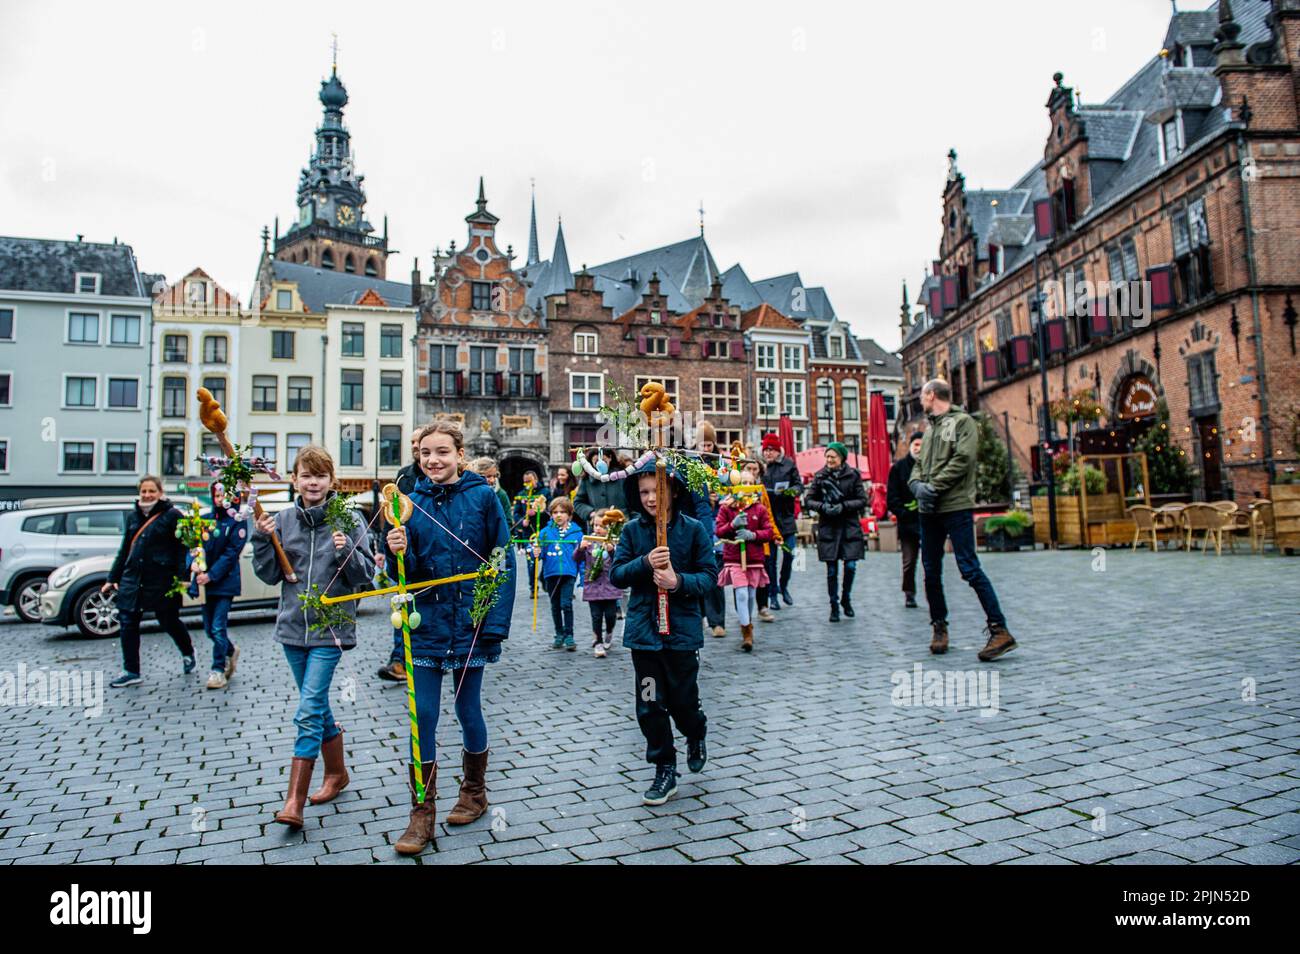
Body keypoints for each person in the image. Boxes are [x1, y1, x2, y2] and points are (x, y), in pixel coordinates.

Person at [385, 421, 515, 855]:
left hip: (470, 625)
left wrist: (492, 624)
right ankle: (421, 812)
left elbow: (502, 558)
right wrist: (397, 550)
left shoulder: (483, 497)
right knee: (422, 716)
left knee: (466, 707)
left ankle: (474, 791)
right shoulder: (411, 501)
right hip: (427, 625)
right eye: (425, 453)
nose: (433, 460)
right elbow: (408, 574)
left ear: (460, 454)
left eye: (442, 452)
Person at [253, 445, 373, 830]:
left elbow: (364, 577)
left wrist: (346, 553)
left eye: (320, 475)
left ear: (331, 480)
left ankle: (294, 800)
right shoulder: (282, 520)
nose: (313, 482)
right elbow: (270, 575)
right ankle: (337, 774)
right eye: (306, 475)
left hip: (331, 628)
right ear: (294, 480)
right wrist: (261, 539)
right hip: (292, 627)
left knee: (307, 710)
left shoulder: (349, 519)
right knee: (315, 705)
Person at [610, 459, 714, 806]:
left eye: (657, 490)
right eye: (644, 492)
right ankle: (664, 767)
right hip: (644, 634)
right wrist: (644, 564)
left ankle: (695, 732)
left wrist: (677, 581)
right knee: (650, 702)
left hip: (681, 632)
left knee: (684, 702)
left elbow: (709, 577)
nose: (651, 498)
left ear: (673, 490)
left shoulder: (694, 530)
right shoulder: (631, 531)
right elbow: (617, 574)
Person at [909, 379, 1017, 661]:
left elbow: (963, 459)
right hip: (928, 510)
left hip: (955, 506)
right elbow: (918, 464)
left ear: (931, 395)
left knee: (969, 567)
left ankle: (999, 629)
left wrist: (934, 487)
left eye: (922, 396)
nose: (920, 401)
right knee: (930, 570)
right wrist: (918, 486)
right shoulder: (931, 428)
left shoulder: (962, 423)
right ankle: (939, 627)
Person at [104, 476, 197, 688]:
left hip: (161, 579)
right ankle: (131, 670)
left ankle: (188, 652)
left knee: (168, 620)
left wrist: (183, 577)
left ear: (160, 492)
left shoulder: (172, 515)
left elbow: (186, 546)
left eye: (151, 491)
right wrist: (112, 578)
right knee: (127, 622)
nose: (147, 495)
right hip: (133, 578)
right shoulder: (132, 517)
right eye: (144, 491)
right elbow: (125, 549)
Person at [378, 433, 425, 683]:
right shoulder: (403, 477)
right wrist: (383, 546)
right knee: (403, 602)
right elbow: (391, 511)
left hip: (430, 550)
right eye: (413, 444)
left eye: (420, 442)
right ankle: (399, 660)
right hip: (404, 550)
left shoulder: (438, 473)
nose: (416, 447)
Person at [804, 441, 867, 622]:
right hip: (829, 528)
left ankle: (846, 598)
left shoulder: (853, 476)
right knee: (831, 570)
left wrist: (844, 506)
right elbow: (809, 500)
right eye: (828, 456)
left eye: (833, 456)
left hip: (849, 527)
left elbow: (862, 500)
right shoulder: (820, 476)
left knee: (850, 566)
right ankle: (834, 605)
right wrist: (823, 507)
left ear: (841, 458)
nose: (829, 460)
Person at [198, 481, 248, 689]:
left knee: (218, 627)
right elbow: (195, 546)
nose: (220, 500)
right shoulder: (205, 519)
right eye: (217, 496)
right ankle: (230, 650)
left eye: (224, 496)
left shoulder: (237, 521)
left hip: (224, 582)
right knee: (209, 629)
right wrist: (195, 566)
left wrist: (211, 574)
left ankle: (218, 670)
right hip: (205, 583)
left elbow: (231, 553)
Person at [714, 482, 775, 653]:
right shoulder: (726, 507)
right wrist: (732, 525)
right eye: (743, 483)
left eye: (750, 483)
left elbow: (768, 532)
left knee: (750, 595)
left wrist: (753, 535)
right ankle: (746, 630)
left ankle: (747, 621)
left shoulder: (759, 508)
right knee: (740, 593)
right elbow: (719, 531)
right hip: (734, 558)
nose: (746, 487)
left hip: (754, 558)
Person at [574, 507, 624, 658]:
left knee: (610, 615)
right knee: (596, 616)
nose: (598, 528)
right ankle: (598, 643)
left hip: (610, 586)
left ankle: (609, 632)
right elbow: (576, 559)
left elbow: (620, 561)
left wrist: (611, 551)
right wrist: (581, 549)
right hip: (593, 585)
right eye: (595, 525)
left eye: (602, 526)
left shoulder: (615, 542)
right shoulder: (589, 540)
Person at [534, 496, 582, 651]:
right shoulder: (545, 533)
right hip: (551, 573)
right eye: (555, 512)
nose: (559, 515)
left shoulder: (577, 533)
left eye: (562, 512)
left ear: (569, 514)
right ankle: (559, 634)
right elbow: (539, 555)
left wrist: (583, 576)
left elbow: (582, 556)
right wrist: (535, 552)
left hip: (569, 573)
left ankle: (569, 635)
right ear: (551, 514)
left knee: (566, 604)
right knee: (555, 605)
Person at [760, 433, 802, 610]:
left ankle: (783, 586)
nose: (768, 453)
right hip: (768, 520)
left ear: (778, 451)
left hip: (786, 519)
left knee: (790, 555)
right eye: (766, 450)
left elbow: (799, 486)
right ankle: (773, 594)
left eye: (771, 450)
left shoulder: (789, 465)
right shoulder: (762, 468)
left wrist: (789, 492)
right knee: (770, 560)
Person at [887, 432, 925, 609]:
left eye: (922, 445)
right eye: (916, 444)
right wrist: (904, 512)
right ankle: (909, 593)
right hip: (907, 523)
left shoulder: (931, 466)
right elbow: (892, 498)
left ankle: (933, 592)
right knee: (909, 561)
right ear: (911, 446)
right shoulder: (899, 468)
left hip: (928, 522)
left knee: (931, 561)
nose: (919, 448)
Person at [740, 456, 776, 624]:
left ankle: (762, 606)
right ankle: (743, 615)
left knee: (762, 573)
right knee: (741, 580)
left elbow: (768, 514)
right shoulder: (736, 492)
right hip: (740, 544)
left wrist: (776, 535)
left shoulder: (761, 491)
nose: (752, 473)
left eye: (755, 470)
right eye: (749, 469)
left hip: (759, 541)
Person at [512, 470, 549, 599]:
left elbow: (551, 510)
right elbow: (516, 514)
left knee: (547, 558)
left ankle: (544, 578)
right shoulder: (521, 495)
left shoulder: (545, 493)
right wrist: (522, 521)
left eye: (530, 481)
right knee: (531, 561)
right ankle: (533, 588)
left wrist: (539, 511)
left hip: (544, 531)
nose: (527, 484)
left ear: (536, 480)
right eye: (525, 481)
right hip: (529, 533)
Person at [573, 448, 625, 527]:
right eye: (596, 461)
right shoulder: (586, 480)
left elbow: (634, 502)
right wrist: (591, 513)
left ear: (610, 458)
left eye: (603, 460)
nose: (600, 464)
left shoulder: (622, 476)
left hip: (620, 524)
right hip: (596, 527)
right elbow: (578, 503)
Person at [702, 488, 726, 638]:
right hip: (702, 543)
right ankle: (705, 616)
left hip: (719, 545)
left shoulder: (723, 503)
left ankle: (717, 622)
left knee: (716, 585)